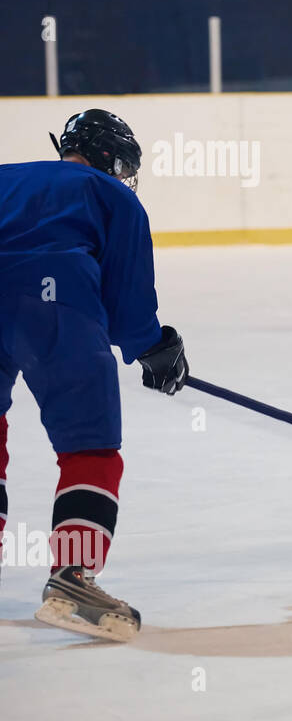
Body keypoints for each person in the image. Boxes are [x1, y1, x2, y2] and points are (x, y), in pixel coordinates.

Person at [0, 109, 189, 641]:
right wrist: (154, 348)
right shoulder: (114, 196)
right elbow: (128, 306)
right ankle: (72, 579)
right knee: (89, 445)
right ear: (108, 158)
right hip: (56, 300)